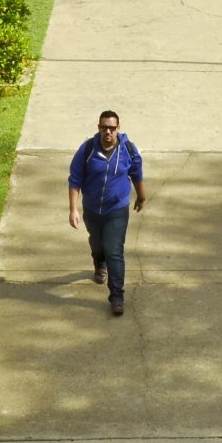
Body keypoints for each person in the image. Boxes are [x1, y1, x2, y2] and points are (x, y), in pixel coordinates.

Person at [68, 110, 145, 316]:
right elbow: (74, 180)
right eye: (104, 127)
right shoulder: (87, 150)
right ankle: (98, 261)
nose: (108, 131)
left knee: (114, 250)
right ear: (99, 128)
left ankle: (117, 296)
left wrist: (141, 196)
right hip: (92, 209)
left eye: (112, 128)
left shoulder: (127, 149)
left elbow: (137, 174)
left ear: (118, 128)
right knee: (97, 244)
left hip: (117, 209)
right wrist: (73, 209)